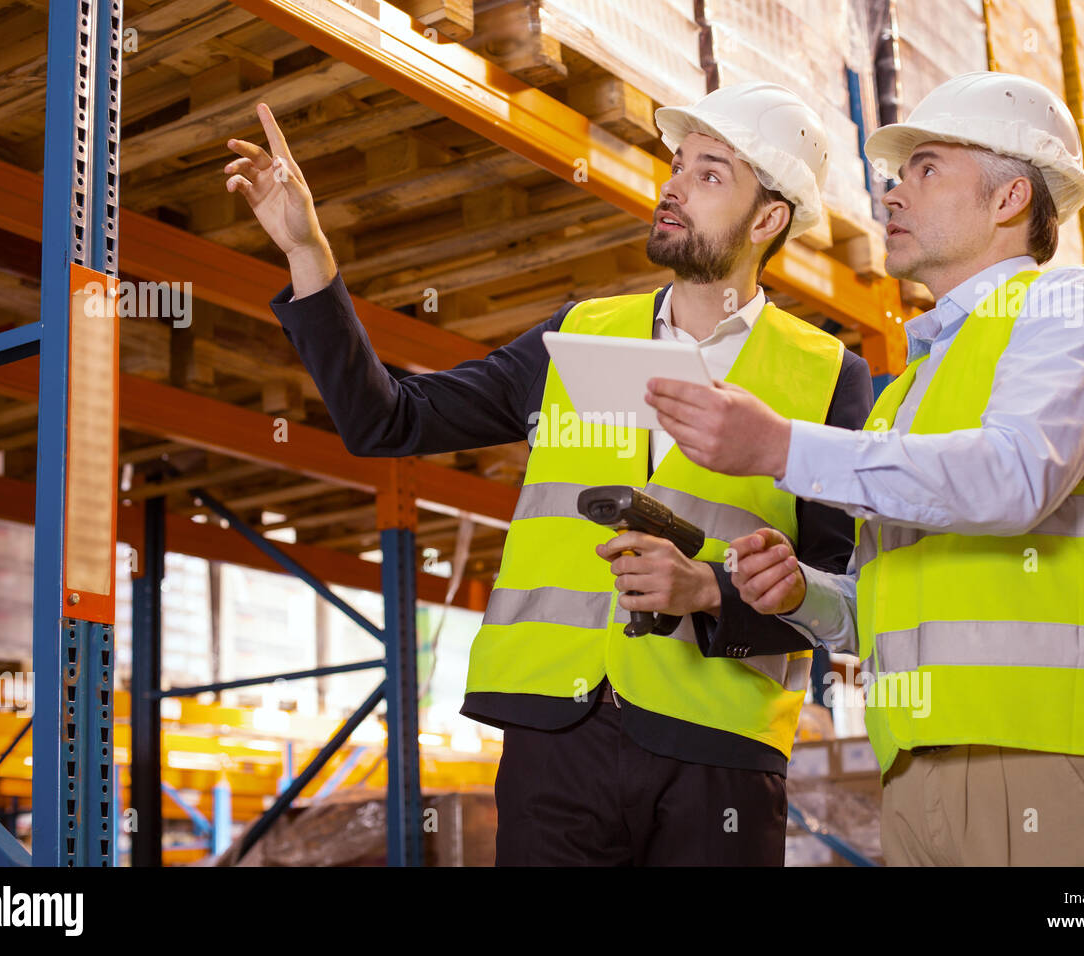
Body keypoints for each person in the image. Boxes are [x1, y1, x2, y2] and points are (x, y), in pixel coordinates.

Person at [223, 84, 871, 866]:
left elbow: (837, 592)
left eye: (709, 173)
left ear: (768, 220)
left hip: (718, 757)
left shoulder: (827, 375)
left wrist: (711, 592)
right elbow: (386, 420)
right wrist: (307, 255)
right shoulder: (577, 332)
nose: (672, 185)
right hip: (556, 744)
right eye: (676, 165)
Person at [645, 71, 1084, 866]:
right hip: (915, 770)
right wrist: (803, 597)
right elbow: (883, 607)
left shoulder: (1070, 308)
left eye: (925, 169)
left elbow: (1012, 479)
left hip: (1056, 759)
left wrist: (781, 449)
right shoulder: (910, 395)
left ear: (1009, 201)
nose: (891, 195)